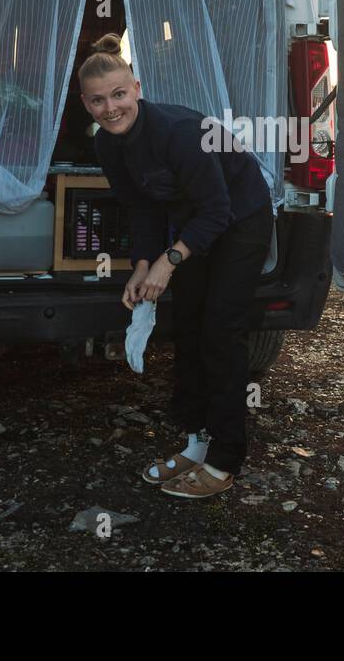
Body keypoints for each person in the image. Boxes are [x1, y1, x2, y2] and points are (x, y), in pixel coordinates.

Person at [78, 32, 273, 499]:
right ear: (85, 104)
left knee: (220, 331)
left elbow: (218, 211)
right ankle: (195, 443)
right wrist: (142, 266)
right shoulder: (106, 145)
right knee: (186, 327)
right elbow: (142, 208)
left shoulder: (180, 133)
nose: (111, 109)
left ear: (137, 89)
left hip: (239, 218)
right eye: (99, 101)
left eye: (119, 95)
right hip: (192, 222)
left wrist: (169, 262)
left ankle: (225, 460)